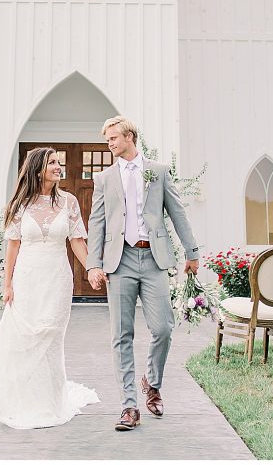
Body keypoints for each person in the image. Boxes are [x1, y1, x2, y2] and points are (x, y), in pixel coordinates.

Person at [86, 116, 199, 431]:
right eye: (107, 140)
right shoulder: (104, 178)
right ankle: (129, 406)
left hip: (153, 259)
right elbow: (98, 222)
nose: (109, 144)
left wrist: (192, 252)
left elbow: (177, 212)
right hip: (118, 262)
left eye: (113, 139)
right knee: (121, 335)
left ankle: (152, 381)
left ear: (129, 136)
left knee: (163, 328)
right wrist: (93, 263)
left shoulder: (158, 172)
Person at [0, 146, 99, 429]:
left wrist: (91, 268)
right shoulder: (20, 204)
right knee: (24, 338)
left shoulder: (68, 202)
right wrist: (7, 285)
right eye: (53, 163)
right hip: (27, 279)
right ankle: (21, 399)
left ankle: (50, 401)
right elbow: (13, 247)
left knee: (50, 336)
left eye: (59, 162)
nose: (59, 167)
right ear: (37, 169)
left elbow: (77, 241)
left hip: (57, 277)